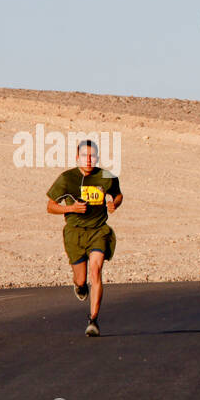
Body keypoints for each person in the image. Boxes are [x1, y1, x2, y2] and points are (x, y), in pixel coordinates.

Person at [46, 139, 123, 336]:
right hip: (75, 233)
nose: (88, 160)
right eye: (84, 156)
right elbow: (50, 206)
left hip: (98, 230)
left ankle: (93, 320)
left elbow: (118, 195)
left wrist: (114, 203)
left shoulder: (106, 176)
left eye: (92, 156)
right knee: (81, 279)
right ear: (77, 158)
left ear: (97, 158)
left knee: (95, 271)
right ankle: (80, 287)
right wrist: (71, 208)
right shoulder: (66, 178)